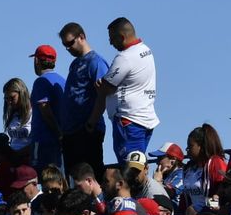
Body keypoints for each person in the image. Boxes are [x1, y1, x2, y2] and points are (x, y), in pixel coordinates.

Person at [96, 18, 159, 163]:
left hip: (128, 121)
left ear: (122, 37)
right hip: (144, 118)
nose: (110, 43)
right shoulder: (145, 50)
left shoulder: (125, 57)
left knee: (130, 169)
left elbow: (107, 87)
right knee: (137, 164)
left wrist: (100, 85)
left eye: (112, 39)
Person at [58, 22, 109, 176]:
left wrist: (91, 122)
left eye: (70, 43)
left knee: (90, 175)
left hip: (87, 129)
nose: (68, 48)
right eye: (65, 45)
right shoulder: (75, 64)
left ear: (81, 37)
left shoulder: (96, 62)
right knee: (74, 177)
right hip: (71, 131)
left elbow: (103, 94)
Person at [29, 45, 65, 170]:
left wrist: (59, 134)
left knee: (43, 177)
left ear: (37, 61)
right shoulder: (62, 80)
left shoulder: (41, 81)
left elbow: (44, 108)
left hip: (44, 139)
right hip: (60, 139)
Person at [180, 124, 227, 215]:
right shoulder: (188, 168)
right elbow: (185, 197)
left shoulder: (215, 163)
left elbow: (221, 193)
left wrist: (202, 212)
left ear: (201, 146)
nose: (187, 150)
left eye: (190, 146)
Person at [1, 78, 33, 158]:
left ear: (22, 94)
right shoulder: (13, 115)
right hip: (14, 160)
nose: (9, 102)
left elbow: (39, 142)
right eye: (6, 99)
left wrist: (18, 154)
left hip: (30, 160)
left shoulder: (34, 112)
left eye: (12, 98)